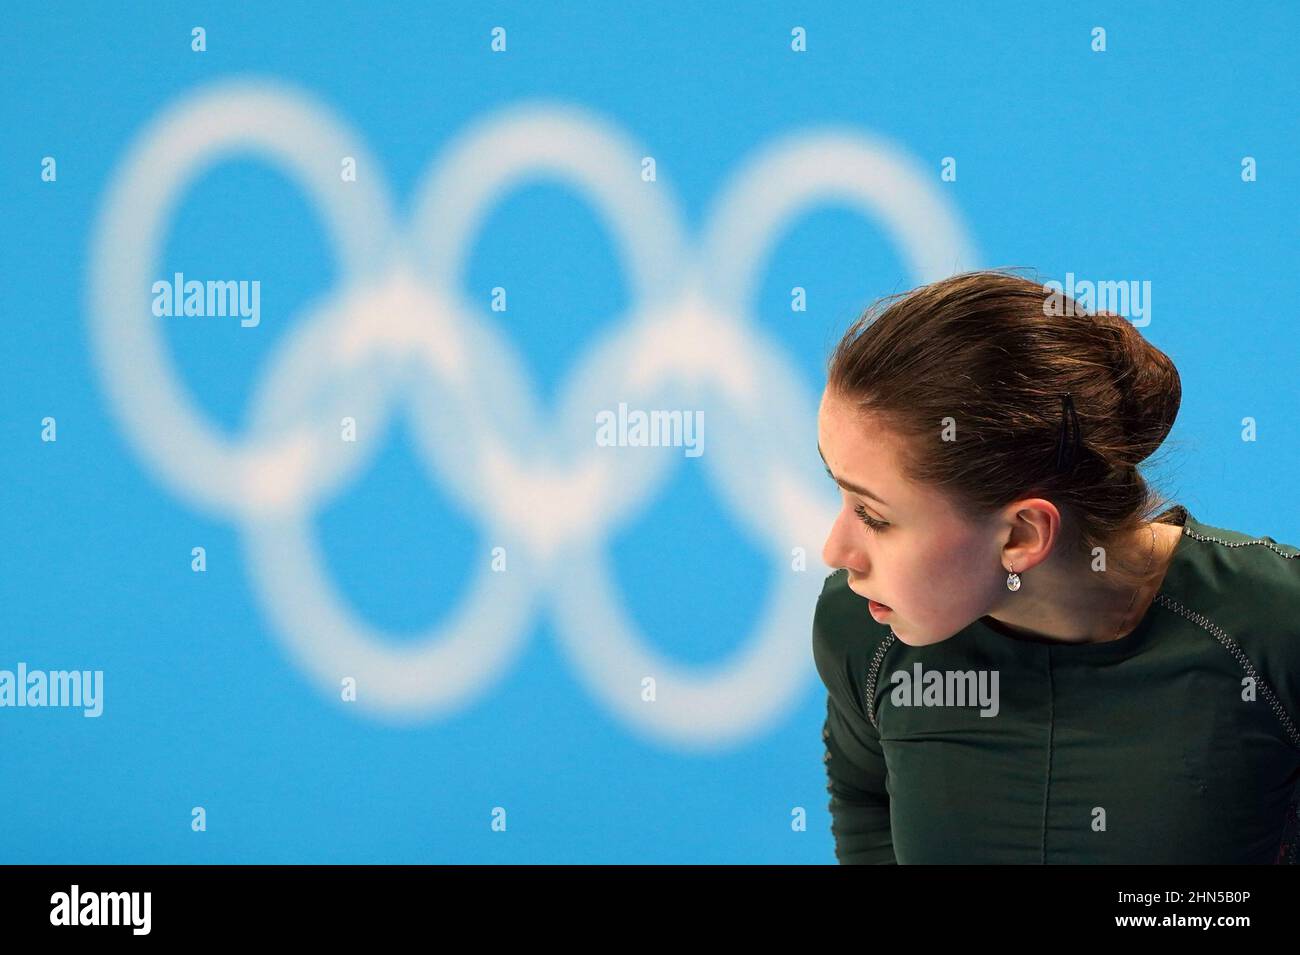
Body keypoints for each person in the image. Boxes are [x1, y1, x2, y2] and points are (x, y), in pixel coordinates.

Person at [813, 269, 1300, 863]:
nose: (835, 552)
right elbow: (867, 808)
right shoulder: (864, 630)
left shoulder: (1277, 628)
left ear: (1021, 534)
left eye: (873, 514)